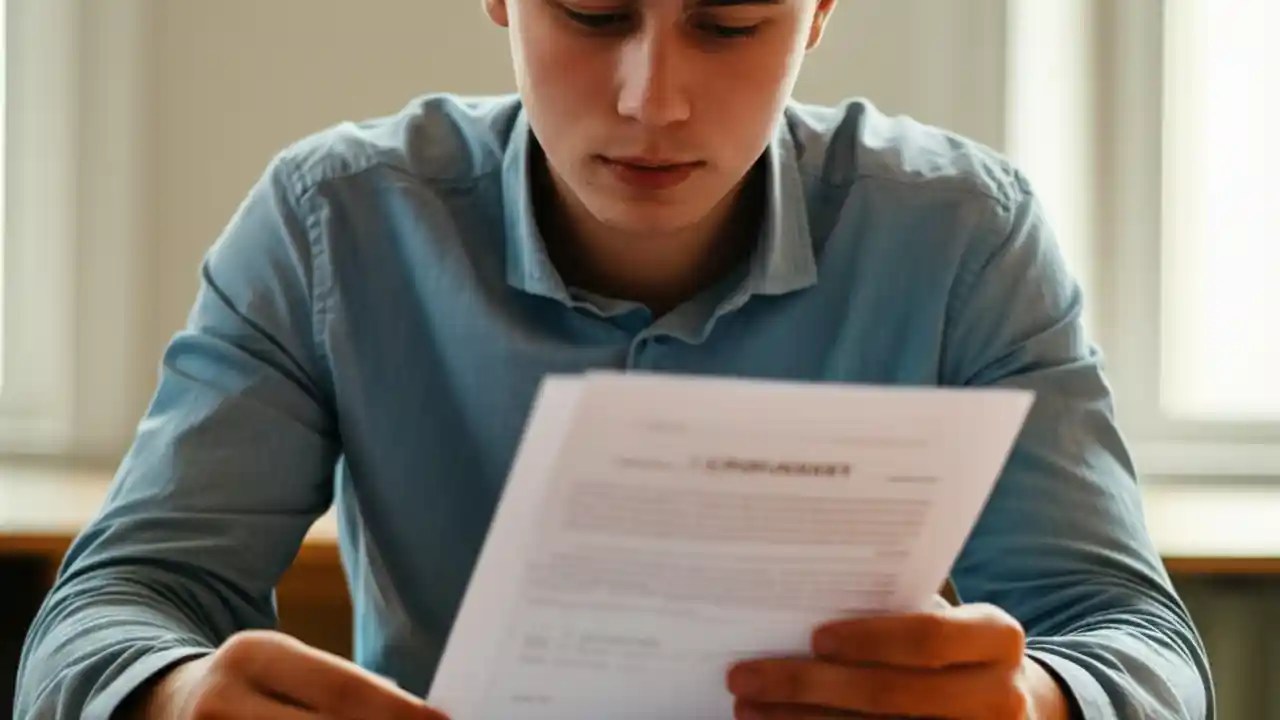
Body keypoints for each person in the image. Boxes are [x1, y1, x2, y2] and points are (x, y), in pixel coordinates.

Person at [17, 0, 1213, 718]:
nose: (654, 99)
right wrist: (170, 698)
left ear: (821, 8)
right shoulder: (334, 223)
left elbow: (1139, 646)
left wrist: (1035, 702)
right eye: (592, 12)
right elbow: (106, 615)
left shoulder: (959, 236)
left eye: (729, 21)